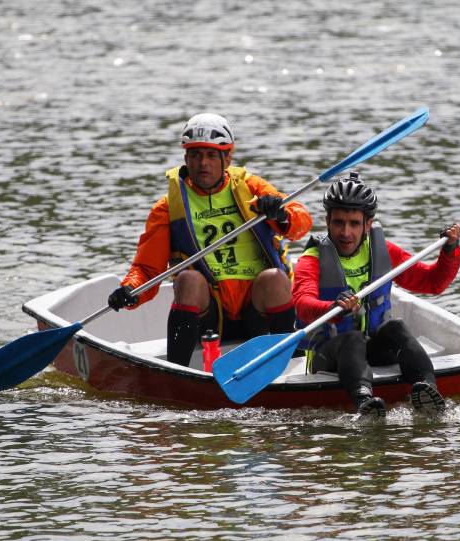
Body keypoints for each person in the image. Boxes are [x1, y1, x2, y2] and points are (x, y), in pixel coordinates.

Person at [107, 113, 312, 367]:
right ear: (186, 159)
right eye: (195, 155)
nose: (203, 163)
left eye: (211, 155)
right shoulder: (168, 207)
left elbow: (301, 221)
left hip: (256, 310)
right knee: (188, 279)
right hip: (208, 316)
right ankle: (176, 371)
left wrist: (281, 214)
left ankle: (294, 365)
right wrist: (130, 290)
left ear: (227, 158)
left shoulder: (250, 187)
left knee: (276, 278)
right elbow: (148, 269)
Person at [292, 172, 460, 419]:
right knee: (352, 339)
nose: (346, 232)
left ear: (368, 224)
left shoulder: (383, 251)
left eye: (354, 223)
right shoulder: (311, 260)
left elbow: (433, 282)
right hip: (329, 356)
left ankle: (428, 390)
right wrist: (331, 308)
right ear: (328, 221)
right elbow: (302, 304)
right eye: (339, 223)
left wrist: (449, 250)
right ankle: (364, 402)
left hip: (373, 349)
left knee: (396, 327)